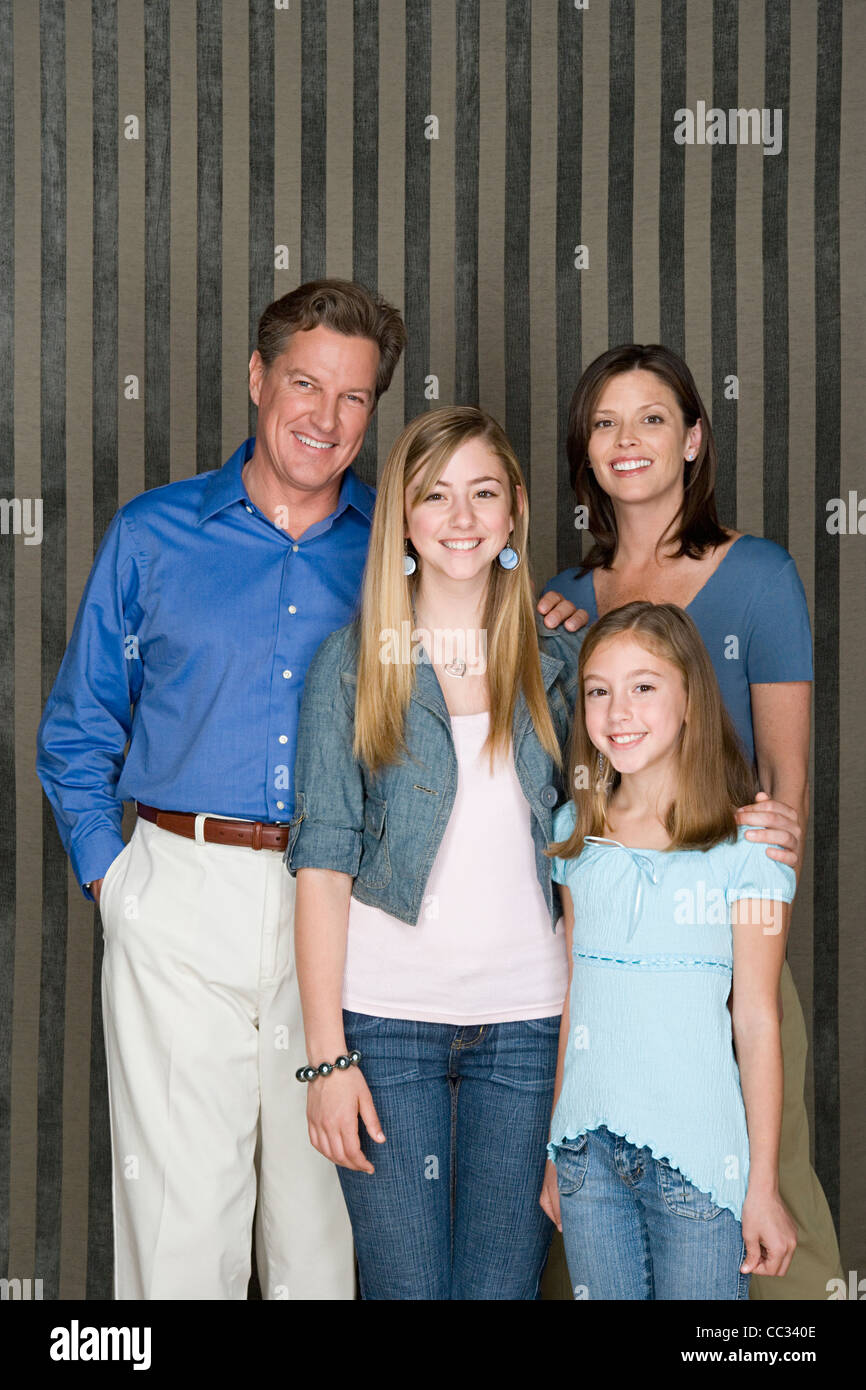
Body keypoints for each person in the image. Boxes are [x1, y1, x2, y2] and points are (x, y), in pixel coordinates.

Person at [35, 279, 582, 1301]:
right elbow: (76, 730)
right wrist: (116, 885)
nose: (324, 418)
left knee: (326, 1226)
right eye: (303, 383)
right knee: (179, 1221)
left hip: (351, 905)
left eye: (353, 397)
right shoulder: (153, 535)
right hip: (180, 883)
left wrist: (568, 601)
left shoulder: (398, 545)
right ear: (256, 379)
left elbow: (498, 630)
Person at [542, 342, 843, 1299]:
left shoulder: (756, 577)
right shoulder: (564, 601)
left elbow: (785, 774)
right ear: (585, 450)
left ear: (694, 439)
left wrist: (752, 926)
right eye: (604, 422)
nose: (627, 441)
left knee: (758, 1176)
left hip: (725, 934)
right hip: (611, 953)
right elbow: (566, 782)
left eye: (653, 419)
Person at [286, 405, 584, 1299]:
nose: (461, 518)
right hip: (385, 1032)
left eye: (483, 493)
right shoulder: (353, 665)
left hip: (530, 1035)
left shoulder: (562, 663)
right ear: (403, 520)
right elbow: (323, 868)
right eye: (436, 496)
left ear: (515, 512)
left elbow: (605, 862)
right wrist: (328, 1060)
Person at [540, 600, 798, 1299]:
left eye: (644, 687)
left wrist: (762, 1184)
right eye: (599, 690)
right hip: (587, 1156)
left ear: (691, 698)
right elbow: (576, 999)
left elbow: (757, 1018)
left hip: (699, 1162)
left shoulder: (751, 850)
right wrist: (555, 1153)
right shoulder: (574, 835)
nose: (618, 711)